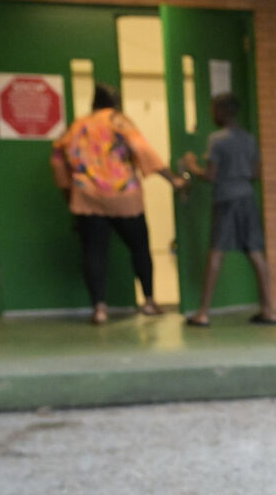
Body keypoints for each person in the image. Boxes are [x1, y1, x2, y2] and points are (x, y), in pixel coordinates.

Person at [50, 85, 186, 324]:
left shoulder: (78, 126)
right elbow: (143, 150)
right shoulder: (118, 121)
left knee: (94, 252)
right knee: (140, 248)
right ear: (115, 103)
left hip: (87, 197)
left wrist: (68, 194)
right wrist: (172, 178)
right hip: (125, 197)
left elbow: (58, 159)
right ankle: (150, 301)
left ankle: (99, 309)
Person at [180, 93, 276, 325]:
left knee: (216, 252)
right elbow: (255, 173)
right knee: (256, 253)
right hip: (247, 198)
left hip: (226, 200)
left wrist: (192, 166)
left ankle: (203, 313)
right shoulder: (249, 139)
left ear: (223, 112)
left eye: (214, 110)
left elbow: (211, 176)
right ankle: (269, 310)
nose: (212, 114)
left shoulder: (217, 139)